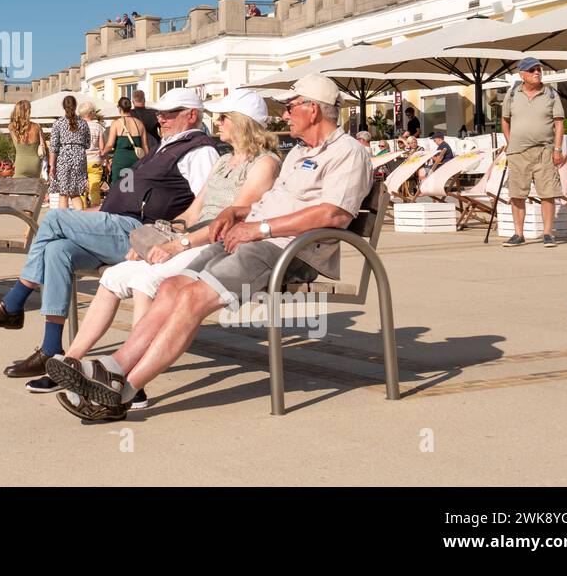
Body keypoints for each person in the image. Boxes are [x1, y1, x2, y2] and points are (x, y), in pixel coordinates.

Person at [43, 73, 373, 421]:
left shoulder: (348, 153)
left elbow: (332, 214)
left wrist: (258, 227)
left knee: (193, 298)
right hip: (255, 238)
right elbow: (277, 202)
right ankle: (113, 367)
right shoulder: (299, 153)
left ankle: (123, 390)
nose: (285, 114)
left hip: (287, 250)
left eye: (291, 107)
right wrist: (239, 212)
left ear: (313, 110)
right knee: (171, 287)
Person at [0, 87, 219, 381]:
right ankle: (51, 349)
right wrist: (94, 211)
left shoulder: (199, 151)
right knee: (56, 250)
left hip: (139, 233)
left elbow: (205, 206)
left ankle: (13, 303)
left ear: (192, 115)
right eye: (159, 113)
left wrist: (169, 238)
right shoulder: (168, 144)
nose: (161, 118)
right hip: (115, 223)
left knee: (56, 217)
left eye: (169, 113)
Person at [43, 89, 281, 398]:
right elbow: (193, 211)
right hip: (192, 237)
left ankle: (131, 383)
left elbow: (230, 222)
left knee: (146, 279)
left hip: (216, 242)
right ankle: (73, 362)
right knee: (114, 275)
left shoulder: (263, 164)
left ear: (242, 122)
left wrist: (178, 243)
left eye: (223, 117)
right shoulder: (223, 161)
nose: (218, 122)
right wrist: (158, 236)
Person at [500, 57, 566, 248]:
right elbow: (505, 120)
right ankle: (518, 234)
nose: (537, 72)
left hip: (544, 151)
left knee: (548, 193)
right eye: (532, 70)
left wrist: (558, 149)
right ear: (522, 74)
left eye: (539, 69)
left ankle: (548, 233)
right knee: (517, 194)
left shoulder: (551, 94)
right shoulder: (512, 94)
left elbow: (558, 123)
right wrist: (510, 143)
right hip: (518, 153)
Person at [49, 95, 91, 209]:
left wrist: (52, 164)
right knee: (75, 192)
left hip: (64, 157)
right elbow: (88, 144)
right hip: (79, 157)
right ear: (76, 106)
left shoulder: (58, 123)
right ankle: (79, 220)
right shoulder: (83, 123)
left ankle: (63, 221)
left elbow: (53, 146)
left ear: (63, 107)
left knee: (63, 193)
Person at [103, 96, 149, 185]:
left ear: (119, 108)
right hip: (137, 160)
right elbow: (145, 145)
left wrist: (102, 152)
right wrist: (148, 160)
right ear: (130, 108)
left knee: (119, 188)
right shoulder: (139, 123)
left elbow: (110, 144)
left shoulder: (116, 123)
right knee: (134, 188)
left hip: (121, 160)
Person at [8, 100, 46, 179]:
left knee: (18, 188)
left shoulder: (12, 127)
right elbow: (44, 146)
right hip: (35, 165)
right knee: (33, 189)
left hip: (20, 164)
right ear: (28, 111)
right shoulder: (37, 127)